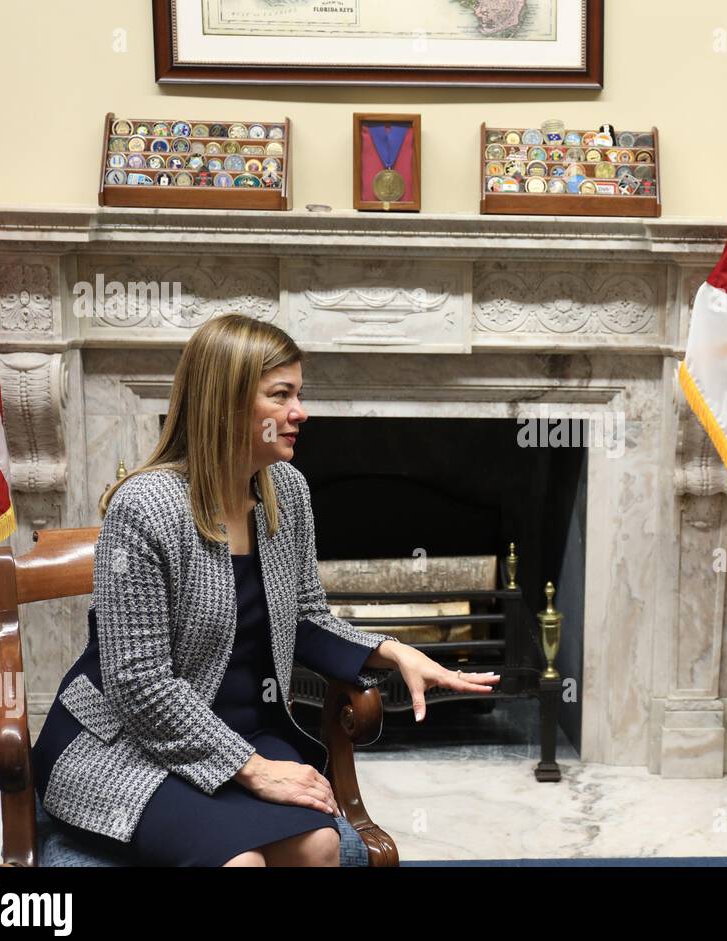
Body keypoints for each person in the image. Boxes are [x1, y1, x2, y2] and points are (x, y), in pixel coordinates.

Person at [32, 314, 499, 866]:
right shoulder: (146, 508)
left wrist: (394, 651)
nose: (299, 413)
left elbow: (302, 617)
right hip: (127, 745)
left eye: (298, 394)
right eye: (282, 396)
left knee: (322, 846)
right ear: (225, 403)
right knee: (242, 864)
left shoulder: (288, 491)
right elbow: (138, 683)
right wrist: (252, 770)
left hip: (241, 727)